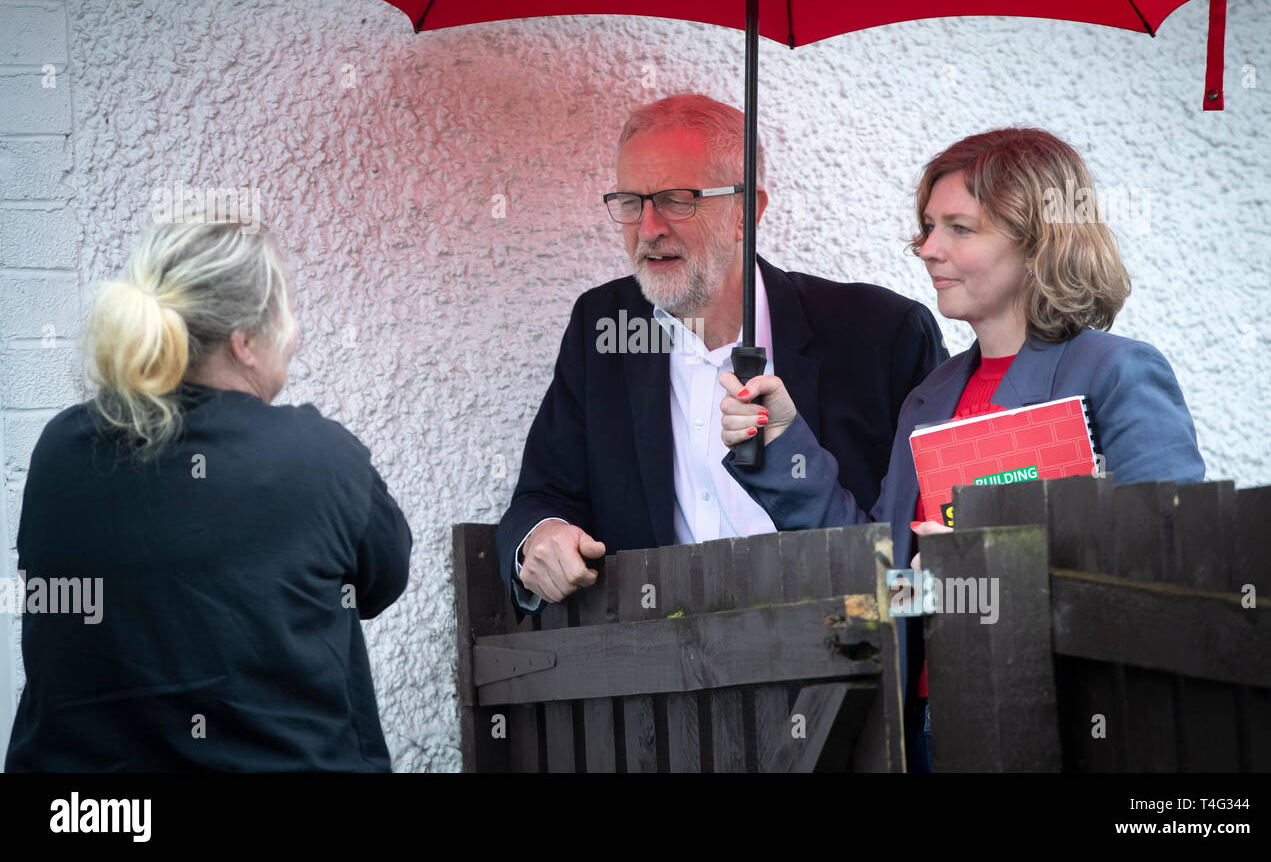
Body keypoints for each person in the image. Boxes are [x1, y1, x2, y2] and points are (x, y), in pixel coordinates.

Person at [718, 127, 1205, 771]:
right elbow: (879, 566)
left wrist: (979, 573)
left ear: (1039, 243)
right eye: (927, 227)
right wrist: (781, 439)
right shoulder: (932, 393)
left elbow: (1167, 561)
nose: (928, 249)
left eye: (960, 228)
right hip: (922, 725)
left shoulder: (1115, 373)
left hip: (1065, 721)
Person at [497, 93, 948, 613]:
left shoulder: (879, 333)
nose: (648, 228)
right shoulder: (605, 328)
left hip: (840, 658)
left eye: (676, 199)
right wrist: (541, 536)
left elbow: (925, 531)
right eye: (630, 202)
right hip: (659, 671)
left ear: (746, 212)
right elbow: (542, 494)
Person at [4, 217, 412, 772]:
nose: (295, 336)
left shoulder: (60, 450)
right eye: (287, 313)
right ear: (244, 342)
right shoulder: (322, 458)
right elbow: (381, 583)